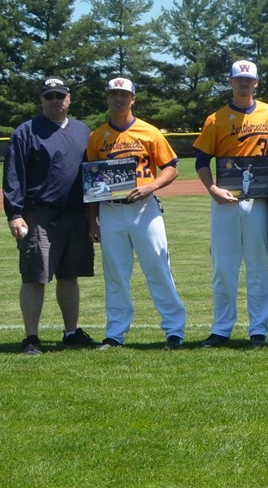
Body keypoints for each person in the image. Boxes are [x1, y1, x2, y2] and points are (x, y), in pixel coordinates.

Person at [87, 77, 187, 349]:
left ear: (133, 99)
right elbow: (92, 182)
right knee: (116, 273)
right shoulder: (97, 136)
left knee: (157, 267)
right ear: (107, 98)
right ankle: (115, 334)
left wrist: (151, 187)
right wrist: (92, 221)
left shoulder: (149, 132)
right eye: (114, 94)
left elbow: (171, 167)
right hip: (110, 210)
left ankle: (175, 330)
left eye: (124, 95)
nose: (119, 99)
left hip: (145, 208)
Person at [192, 60, 268, 348]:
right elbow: (201, 161)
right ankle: (222, 328)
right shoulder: (216, 118)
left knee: (258, 265)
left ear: (257, 82)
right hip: (225, 201)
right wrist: (212, 188)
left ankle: (259, 329)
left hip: (259, 201)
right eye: (239, 79)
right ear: (230, 82)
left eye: (249, 79)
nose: (244, 83)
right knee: (223, 265)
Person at [3, 76, 97, 355]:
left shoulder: (83, 131)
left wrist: (94, 217)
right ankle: (31, 338)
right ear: (42, 100)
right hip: (39, 215)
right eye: (49, 96)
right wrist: (15, 214)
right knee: (35, 277)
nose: (55, 100)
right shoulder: (26, 131)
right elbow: (13, 175)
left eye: (60, 95)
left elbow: (92, 175)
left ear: (69, 99)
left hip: (76, 214)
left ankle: (72, 332)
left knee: (70, 276)